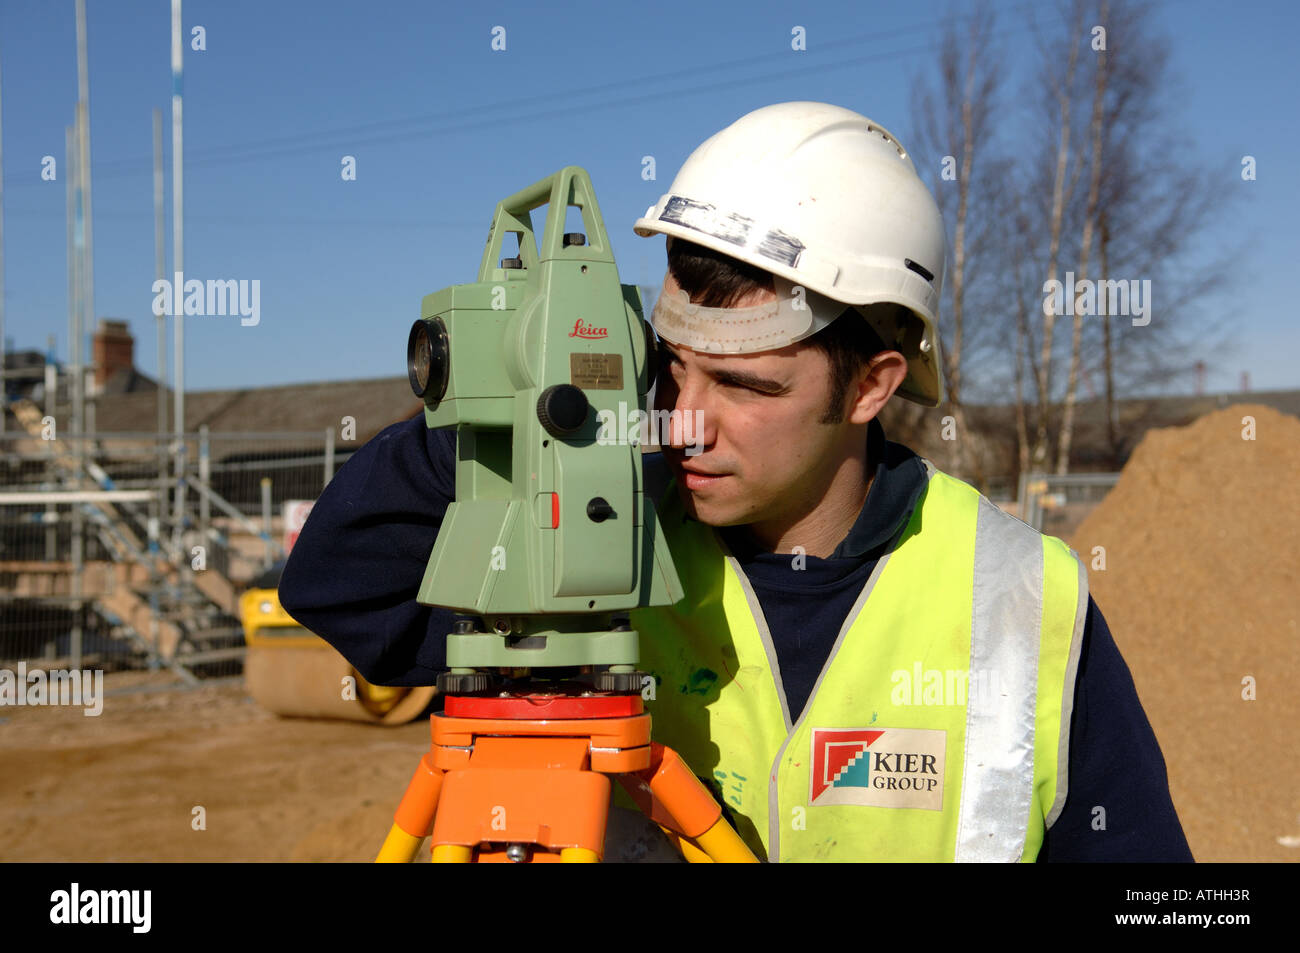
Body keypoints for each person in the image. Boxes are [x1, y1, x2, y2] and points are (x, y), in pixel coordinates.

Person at [279, 101, 1192, 862]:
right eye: (671, 368)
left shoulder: (1019, 599)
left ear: (871, 384)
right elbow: (337, 579)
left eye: (747, 385)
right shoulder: (596, 556)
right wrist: (517, 401)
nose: (687, 417)